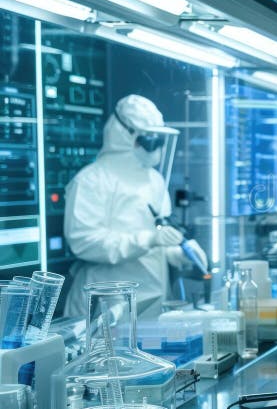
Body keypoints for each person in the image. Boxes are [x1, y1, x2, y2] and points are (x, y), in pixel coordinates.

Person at [64, 95, 207, 318]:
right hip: (106, 304)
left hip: (152, 301)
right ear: (124, 135)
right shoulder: (91, 180)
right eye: (149, 139)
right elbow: (83, 242)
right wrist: (146, 239)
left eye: (158, 139)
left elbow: (160, 237)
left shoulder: (155, 180)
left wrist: (179, 253)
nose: (155, 146)